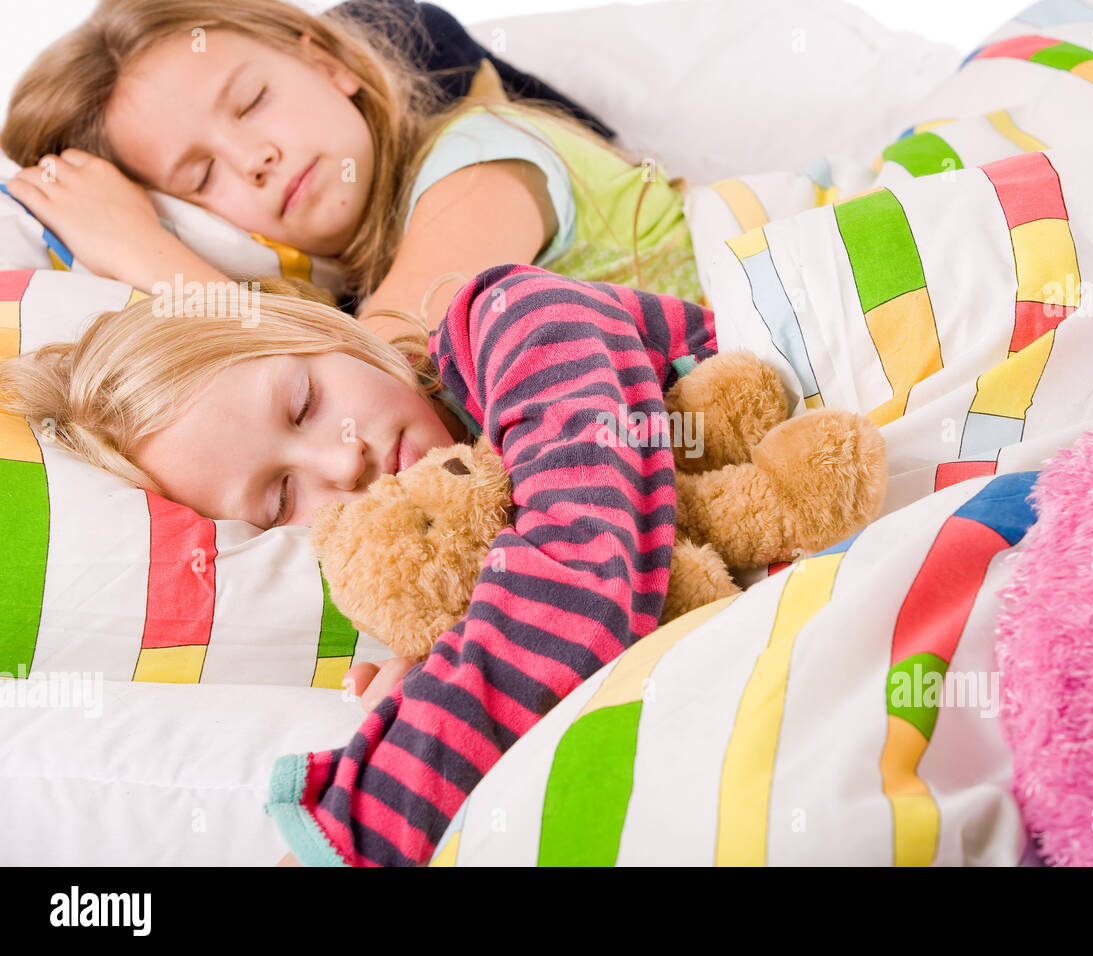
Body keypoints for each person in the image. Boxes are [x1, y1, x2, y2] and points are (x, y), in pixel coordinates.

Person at [0, 264, 718, 864]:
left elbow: (581, 578)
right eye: (282, 498)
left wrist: (356, 827)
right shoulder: (444, 566)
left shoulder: (518, 320)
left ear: (321, 334)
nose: (344, 459)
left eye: (305, 403)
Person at [1, 0, 701, 346]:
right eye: (201, 175)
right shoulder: (341, 291)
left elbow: (382, 369)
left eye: (252, 102)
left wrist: (147, 255)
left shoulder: (481, 159)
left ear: (328, 64)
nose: (253, 159)